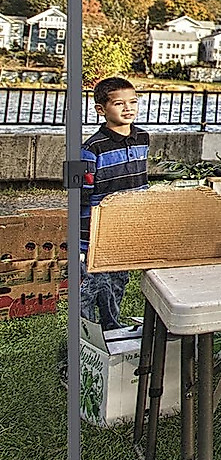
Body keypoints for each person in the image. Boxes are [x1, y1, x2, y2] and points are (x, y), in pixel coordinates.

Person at [80, 77, 150, 330]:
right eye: (119, 103)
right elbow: (81, 194)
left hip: (127, 228)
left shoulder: (143, 138)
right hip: (96, 232)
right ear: (101, 109)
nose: (128, 108)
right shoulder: (90, 148)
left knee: (118, 281)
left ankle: (111, 327)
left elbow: (141, 181)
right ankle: (85, 336)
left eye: (133, 102)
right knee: (90, 285)